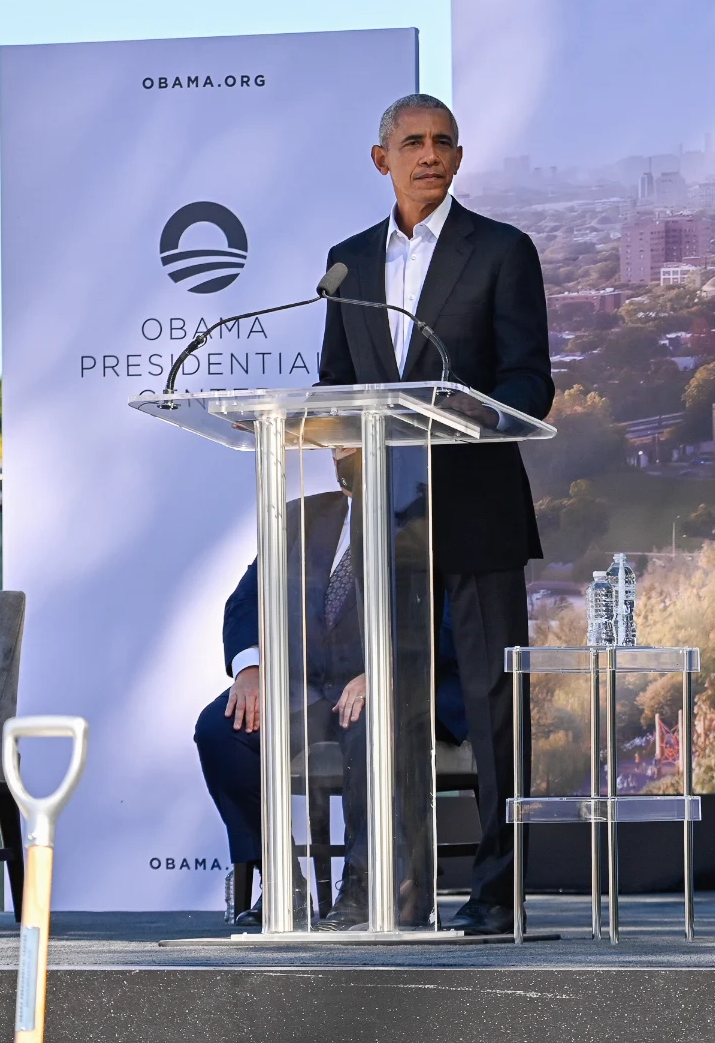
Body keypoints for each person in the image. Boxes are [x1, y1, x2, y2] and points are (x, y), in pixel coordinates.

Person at [317, 93, 554, 935]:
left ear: (459, 157)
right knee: (383, 705)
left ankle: (498, 893)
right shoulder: (346, 265)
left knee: (494, 707)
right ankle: (388, 892)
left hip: (478, 510)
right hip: (390, 521)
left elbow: (531, 377)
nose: (429, 154)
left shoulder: (500, 251)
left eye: (443, 142)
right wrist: (342, 443)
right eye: (412, 142)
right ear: (381, 157)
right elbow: (335, 389)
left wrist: (475, 413)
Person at [194, 449, 472, 927]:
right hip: (304, 686)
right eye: (339, 445)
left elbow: (448, 624)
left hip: (392, 686)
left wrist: (385, 671)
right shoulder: (302, 515)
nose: (347, 454)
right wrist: (251, 669)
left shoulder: (429, 518)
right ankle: (282, 881)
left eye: (356, 443)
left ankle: (365, 885)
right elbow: (246, 600)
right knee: (221, 733)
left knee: (373, 723)